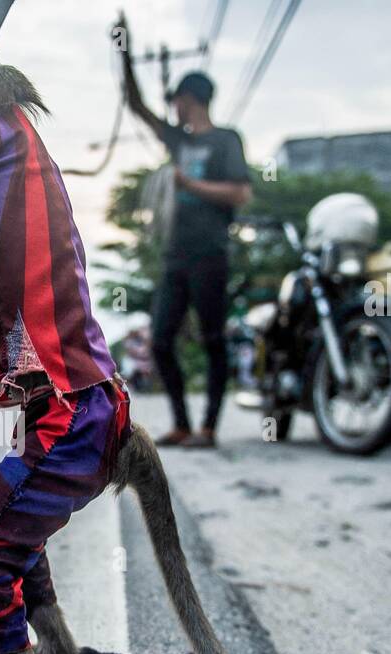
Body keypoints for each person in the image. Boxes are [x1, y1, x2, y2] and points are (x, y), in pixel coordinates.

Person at [119, 22, 252, 449]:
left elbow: (241, 192)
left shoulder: (226, 140)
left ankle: (209, 428)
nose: (172, 107)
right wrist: (124, 50)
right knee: (160, 340)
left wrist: (190, 186)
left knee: (214, 339)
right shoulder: (176, 140)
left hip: (211, 252)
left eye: (175, 99)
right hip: (176, 256)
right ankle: (180, 423)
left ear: (189, 98)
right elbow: (137, 106)